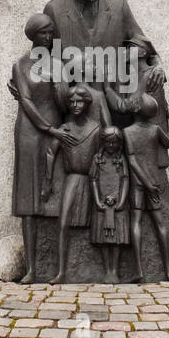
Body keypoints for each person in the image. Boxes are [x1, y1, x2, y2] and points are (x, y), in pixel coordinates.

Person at [43, 0, 165, 122]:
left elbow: (142, 43)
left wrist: (158, 66)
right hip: (77, 87)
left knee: (151, 76)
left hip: (115, 83)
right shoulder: (54, 9)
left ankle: (147, 144)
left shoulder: (118, 5)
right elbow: (42, 54)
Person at [9, 14, 76, 283]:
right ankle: (32, 269)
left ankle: (61, 266)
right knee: (28, 201)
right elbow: (25, 100)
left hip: (57, 132)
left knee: (57, 196)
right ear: (33, 36)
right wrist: (49, 129)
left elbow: (66, 101)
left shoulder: (58, 64)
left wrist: (63, 87)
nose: (49, 37)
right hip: (30, 132)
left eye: (52, 33)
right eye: (45, 33)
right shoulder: (21, 65)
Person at [42, 85, 101, 283]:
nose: (75, 105)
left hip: (92, 179)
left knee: (100, 220)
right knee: (63, 222)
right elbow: (51, 153)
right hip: (72, 179)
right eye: (72, 102)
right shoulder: (65, 128)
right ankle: (61, 271)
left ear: (86, 103)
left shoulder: (95, 128)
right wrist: (48, 181)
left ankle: (102, 268)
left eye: (79, 101)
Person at [122, 93, 169, 282]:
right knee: (159, 224)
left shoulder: (128, 132)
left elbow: (132, 160)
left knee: (136, 222)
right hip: (154, 182)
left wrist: (145, 183)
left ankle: (139, 270)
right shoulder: (156, 130)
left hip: (139, 183)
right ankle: (168, 270)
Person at [89, 127, 129, 283]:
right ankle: (107, 270)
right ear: (103, 142)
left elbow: (125, 179)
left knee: (117, 239)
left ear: (119, 143)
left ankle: (115, 270)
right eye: (108, 142)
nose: (111, 145)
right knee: (103, 239)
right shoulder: (97, 159)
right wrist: (98, 200)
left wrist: (122, 200)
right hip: (102, 204)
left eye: (114, 142)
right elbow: (92, 179)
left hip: (119, 204)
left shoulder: (121, 160)